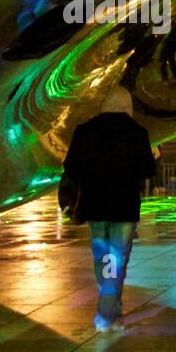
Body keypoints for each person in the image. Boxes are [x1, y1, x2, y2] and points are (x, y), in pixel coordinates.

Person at [58, 86, 156, 332]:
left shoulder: (84, 132)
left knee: (102, 258)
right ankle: (105, 313)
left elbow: (71, 168)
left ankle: (112, 308)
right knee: (116, 259)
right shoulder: (137, 133)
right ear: (127, 106)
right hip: (123, 208)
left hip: (94, 207)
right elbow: (147, 171)